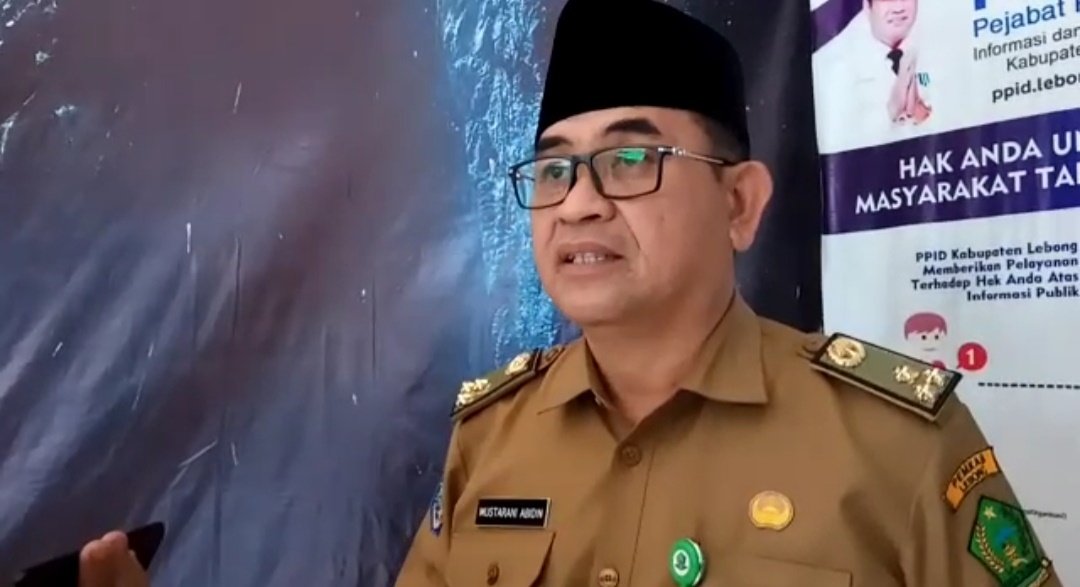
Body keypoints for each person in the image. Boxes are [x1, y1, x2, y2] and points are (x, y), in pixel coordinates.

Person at [78, 0, 1060, 585]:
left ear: (740, 202)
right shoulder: (493, 437)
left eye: (630, 158)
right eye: (553, 169)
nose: (579, 202)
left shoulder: (892, 442)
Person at [812, 0, 936, 153]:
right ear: (867, 6)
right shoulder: (835, 65)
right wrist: (890, 113)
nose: (898, 8)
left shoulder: (939, 49)